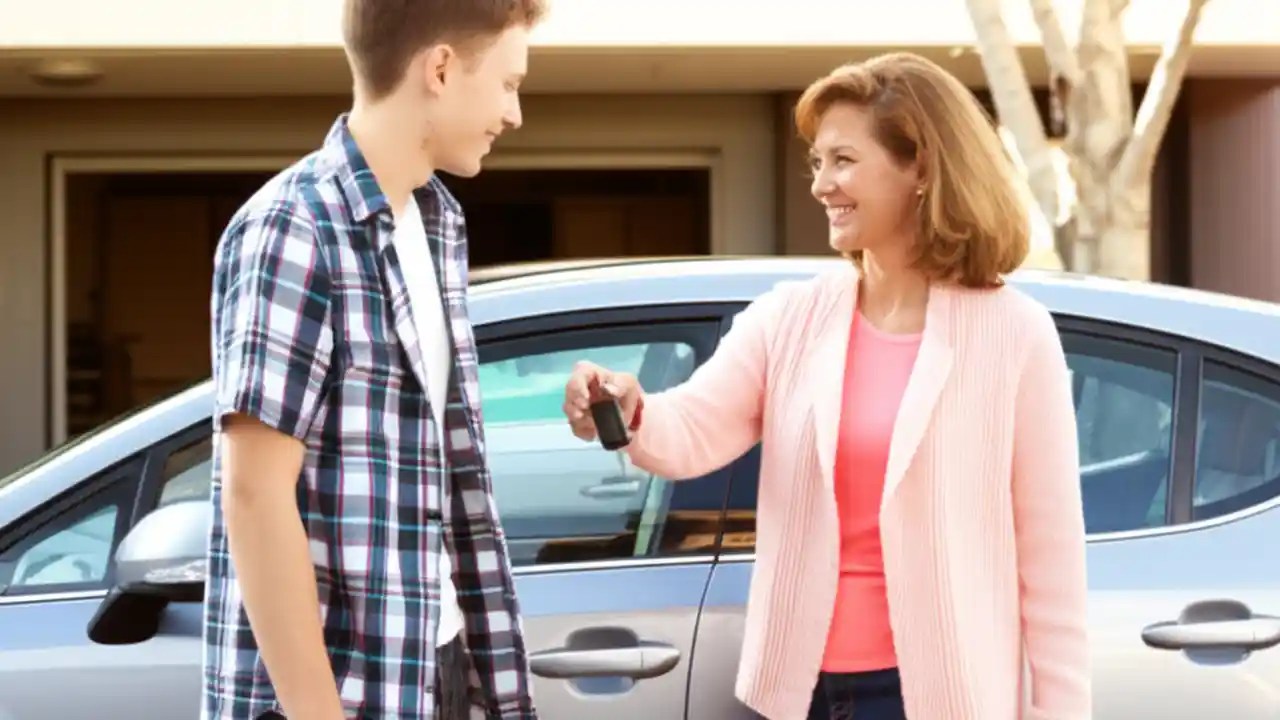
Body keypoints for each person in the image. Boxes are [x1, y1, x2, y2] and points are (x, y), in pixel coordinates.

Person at [563, 52, 1091, 720]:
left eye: (843, 160)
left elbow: (1051, 566)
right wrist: (630, 407)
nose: (820, 185)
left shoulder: (1015, 334)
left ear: (921, 167)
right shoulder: (792, 317)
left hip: (934, 696)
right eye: (817, 162)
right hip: (802, 691)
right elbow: (692, 429)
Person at [203, 1, 546, 718]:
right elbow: (255, 496)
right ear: (442, 69)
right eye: (509, 83)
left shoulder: (437, 225)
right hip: (346, 693)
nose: (514, 114)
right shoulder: (293, 228)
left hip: (437, 667)